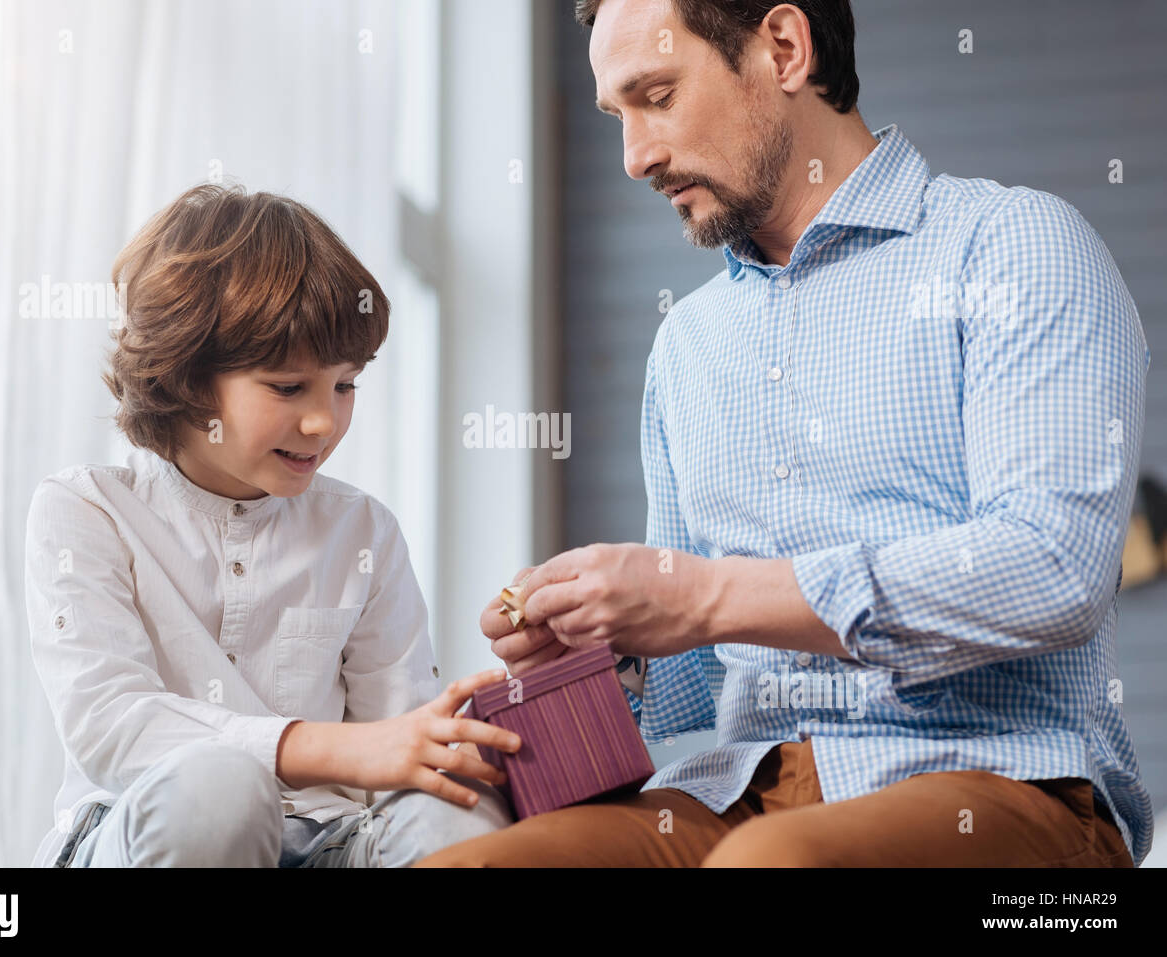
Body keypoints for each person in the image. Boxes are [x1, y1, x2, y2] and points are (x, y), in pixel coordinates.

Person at [416, 0, 1150, 867]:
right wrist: (603, 651)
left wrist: (701, 595)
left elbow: (1052, 567)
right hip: (734, 792)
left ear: (784, 48)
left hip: (1005, 784)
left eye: (658, 95)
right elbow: (697, 671)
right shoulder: (687, 344)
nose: (635, 157)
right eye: (618, 117)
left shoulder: (1011, 246)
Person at [25, 183, 519, 867]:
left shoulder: (365, 532)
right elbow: (112, 727)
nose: (324, 421)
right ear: (188, 376)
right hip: (141, 831)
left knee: (451, 811)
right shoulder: (86, 511)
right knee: (221, 788)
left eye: (345, 385)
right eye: (289, 387)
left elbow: (400, 742)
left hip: (328, 841)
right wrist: (328, 748)